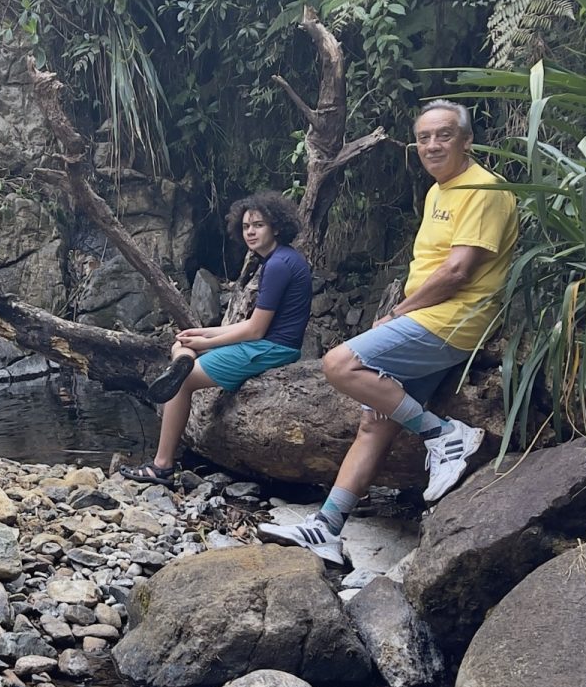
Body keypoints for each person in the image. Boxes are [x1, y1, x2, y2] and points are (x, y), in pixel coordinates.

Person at [259, 98, 518, 565]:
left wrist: (399, 311)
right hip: (431, 317)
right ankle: (327, 528)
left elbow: (458, 271)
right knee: (375, 422)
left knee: (339, 364)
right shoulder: (440, 190)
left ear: (467, 140)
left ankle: (444, 434)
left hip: (453, 321)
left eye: (443, 135)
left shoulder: (484, 189)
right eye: (423, 138)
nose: (432, 145)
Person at [119, 189, 312, 483]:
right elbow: (253, 325)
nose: (250, 231)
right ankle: (181, 361)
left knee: (181, 384)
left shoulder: (278, 266)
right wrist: (201, 333)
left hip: (273, 349)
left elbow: (255, 329)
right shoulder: (280, 259)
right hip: (267, 343)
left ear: (276, 227)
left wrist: (206, 343)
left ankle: (162, 465)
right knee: (181, 343)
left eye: (258, 225)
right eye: (246, 226)